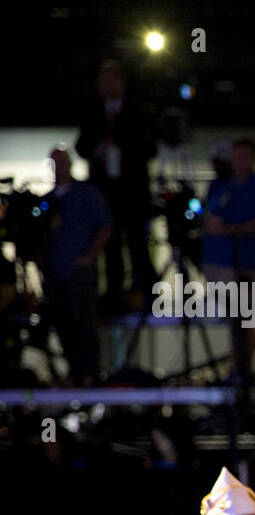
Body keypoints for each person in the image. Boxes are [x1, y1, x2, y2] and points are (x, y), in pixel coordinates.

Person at [74, 60, 156, 307]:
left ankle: (143, 291)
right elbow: (81, 146)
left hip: (132, 191)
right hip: (104, 192)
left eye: (111, 80)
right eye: (102, 81)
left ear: (122, 82)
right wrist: (97, 150)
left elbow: (149, 148)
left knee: (136, 242)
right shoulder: (92, 112)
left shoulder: (138, 111)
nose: (106, 86)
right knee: (109, 243)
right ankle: (113, 292)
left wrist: (123, 151)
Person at [200, 135, 255, 386]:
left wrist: (230, 228)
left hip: (246, 265)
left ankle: (242, 370)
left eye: (245, 156)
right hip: (218, 264)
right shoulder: (222, 187)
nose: (239, 161)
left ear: (253, 158)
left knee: (244, 318)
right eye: (236, 155)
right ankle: (236, 370)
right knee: (235, 319)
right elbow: (208, 215)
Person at [40, 147, 112, 385]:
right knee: (63, 322)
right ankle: (74, 371)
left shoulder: (86, 194)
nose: (59, 167)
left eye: (62, 162)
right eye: (54, 163)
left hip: (79, 272)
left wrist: (89, 255)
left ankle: (91, 372)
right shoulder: (48, 201)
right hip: (55, 273)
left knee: (85, 322)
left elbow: (104, 226)